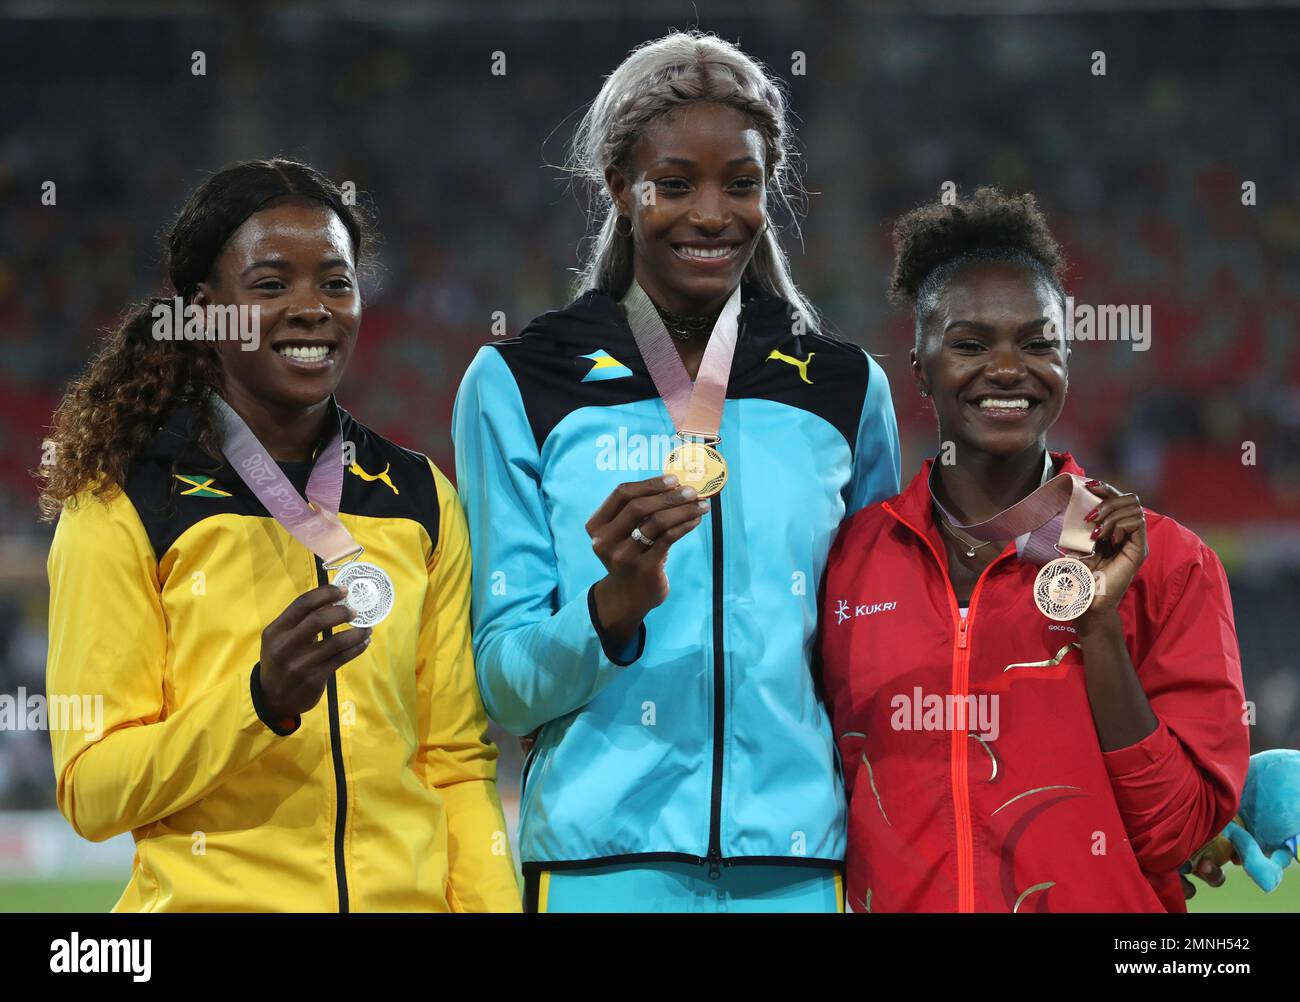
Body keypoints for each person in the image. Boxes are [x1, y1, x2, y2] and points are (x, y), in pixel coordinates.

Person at [453, 31, 900, 912]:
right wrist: (608, 608)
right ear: (620, 187)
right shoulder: (519, 382)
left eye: (741, 184)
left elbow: (876, 651)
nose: (711, 213)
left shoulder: (848, 389)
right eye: (675, 183)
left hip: (798, 867)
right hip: (600, 867)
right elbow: (505, 685)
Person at [42, 158, 520, 912]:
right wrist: (258, 702)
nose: (312, 308)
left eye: (336, 282)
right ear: (205, 311)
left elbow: (454, 764)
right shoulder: (124, 500)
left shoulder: (421, 496)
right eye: (271, 285)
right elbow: (92, 788)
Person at [819, 187, 1250, 912]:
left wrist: (1100, 628)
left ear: (1068, 361)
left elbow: (1177, 835)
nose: (1009, 368)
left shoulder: (1168, 565)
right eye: (970, 344)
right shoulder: (852, 561)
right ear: (919, 369)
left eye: (1038, 342)